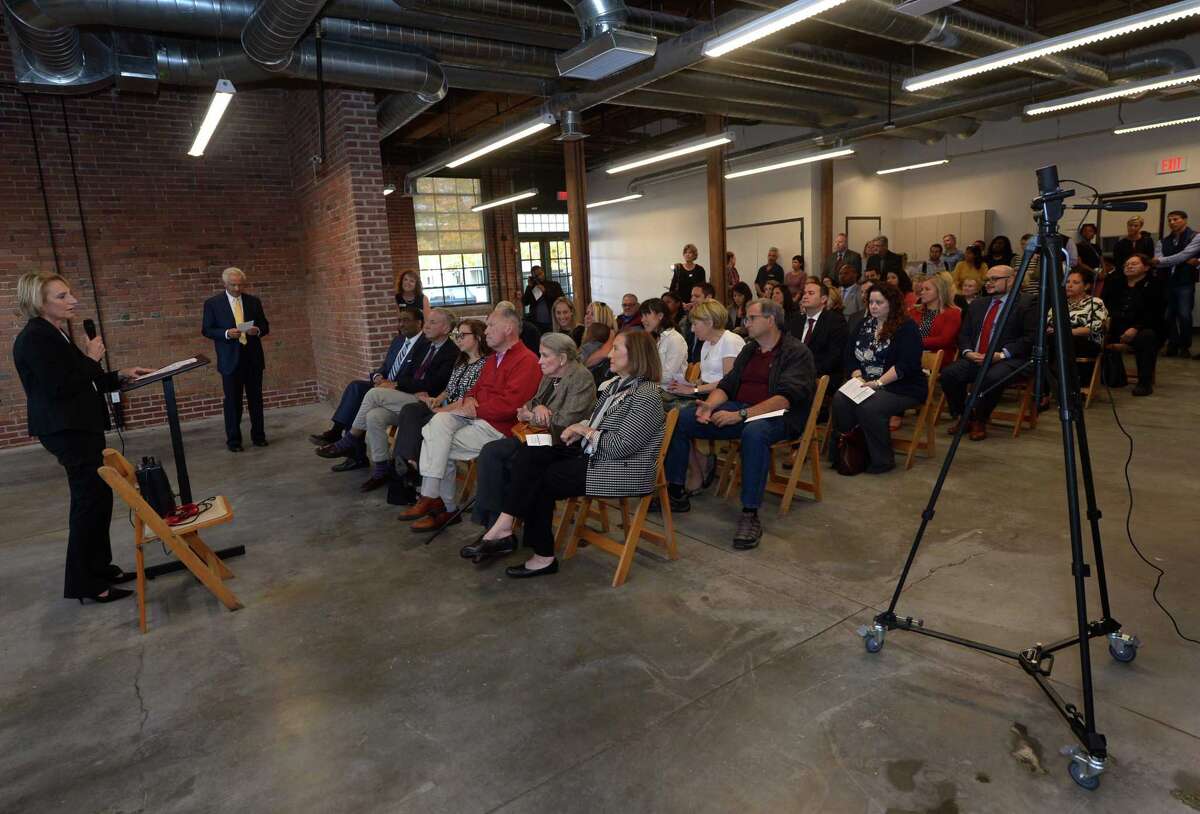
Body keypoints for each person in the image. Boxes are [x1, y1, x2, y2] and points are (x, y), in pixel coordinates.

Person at [468, 331, 666, 577]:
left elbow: (621, 446)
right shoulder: (616, 385)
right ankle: (505, 525)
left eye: (616, 349)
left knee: (537, 476)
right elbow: (596, 422)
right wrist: (580, 429)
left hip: (620, 469)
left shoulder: (646, 395)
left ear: (635, 356)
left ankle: (535, 550)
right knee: (532, 452)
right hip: (593, 456)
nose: (609, 354)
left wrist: (584, 430)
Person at [12, 271, 153, 603]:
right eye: (62, 296)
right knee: (87, 502)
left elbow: (82, 380)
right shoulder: (35, 338)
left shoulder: (55, 333)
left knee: (99, 498)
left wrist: (118, 375)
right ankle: (85, 584)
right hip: (67, 430)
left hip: (79, 426)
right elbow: (60, 388)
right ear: (38, 302)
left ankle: (100, 567)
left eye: (69, 293)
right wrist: (91, 358)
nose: (72, 300)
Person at [665, 298, 816, 550]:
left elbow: (785, 399)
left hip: (778, 416)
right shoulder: (750, 349)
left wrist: (742, 415)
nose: (745, 322)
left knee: (754, 433)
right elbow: (728, 384)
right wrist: (709, 406)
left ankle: (750, 513)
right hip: (741, 410)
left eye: (751, 318)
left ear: (770, 320)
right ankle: (676, 489)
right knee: (682, 418)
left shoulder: (796, 352)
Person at [399, 302, 542, 532]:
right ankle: (435, 499)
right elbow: (474, 390)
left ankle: (439, 503)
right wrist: (470, 401)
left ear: (508, 329)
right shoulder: (495, 357)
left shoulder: (526, 360)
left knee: (435, 440)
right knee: (438, 423)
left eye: (490, 326)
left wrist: (476, 408)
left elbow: (511, 405)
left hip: (498, 427)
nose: (485, 331)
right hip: (475, 418)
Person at [315, 309, 459, 490]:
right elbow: (412, 376)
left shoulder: (451, 352)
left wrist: (397, 385)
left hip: (430, 404)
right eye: (427, 321)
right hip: (411, 398)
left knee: (374, 394)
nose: (426, 326)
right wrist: (406, 385)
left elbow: (433, 384)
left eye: (432, 323)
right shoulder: (425, 346)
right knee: (374, 416)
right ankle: (381, 469)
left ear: (446, 329)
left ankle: (350, 439)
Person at [467, 333, 597, 531]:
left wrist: (532, 414)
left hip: (563, 443)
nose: (539, 361)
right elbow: (531, 402)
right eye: (540, 355)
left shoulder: (580, 377)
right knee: (491, 451)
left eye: (545, 355)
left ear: (562, 358)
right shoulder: (549, 375)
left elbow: (565, 421)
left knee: (514, 461)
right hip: (539, 437)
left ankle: (502, 524)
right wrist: (535, 409)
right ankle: (493, 521)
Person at [389, 319, 490, 504]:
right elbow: (449, 390)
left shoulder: (485, 364)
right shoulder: (461, 361)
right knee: (411, 410)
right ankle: (409, 462)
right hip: (446, 406)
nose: (458, 339)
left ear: (477, 337)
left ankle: (412, 476)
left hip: (460, 413)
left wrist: (440, 410)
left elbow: (467, 399)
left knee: (423, 423)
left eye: (462, 335)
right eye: (456, 335)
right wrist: (437, 399)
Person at [830, 283, 926, 474]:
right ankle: (852, 452)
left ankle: (882, 459)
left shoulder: (907, 328)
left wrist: (879, 383)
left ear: (891, 303)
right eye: (871, 302)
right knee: (840, 400)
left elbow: (905, 365)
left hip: (901, 386)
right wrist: (856, 375)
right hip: (866, 382)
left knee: (870, 406)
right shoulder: (864, 324)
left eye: (879, 302)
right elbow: (849, 355)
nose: (873, 306)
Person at [939, 265, 1037, 441]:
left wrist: (1001, 354)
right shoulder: (978, 304)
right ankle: (966, 416)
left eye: (994, 279)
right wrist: (968, 352)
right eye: (987, 280)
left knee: (991, 377)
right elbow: (964, 334)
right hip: (976, 357)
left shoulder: (1027, 302)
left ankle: (980, 420)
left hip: (1010, 359)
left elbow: (1031, 337)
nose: (989, 283)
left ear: (1012, 279)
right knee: (948, 374)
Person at [309, 306, 424, 452]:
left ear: (419, 323)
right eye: (399, 320)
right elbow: (385, 366)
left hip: (399, 390)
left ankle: (343, 440)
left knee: (358, 394)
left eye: (406, 320)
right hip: (382, 386)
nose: (401, 324)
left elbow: (415, 377)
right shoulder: (398, 340)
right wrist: (377, 376)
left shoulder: (424, 344)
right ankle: (342, 438)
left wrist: (392, 384)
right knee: (355, 389)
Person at [202, 267, 270, 452]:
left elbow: (264, 325)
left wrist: (257, 330)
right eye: (233, 285)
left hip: (253, 358)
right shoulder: (213, 304)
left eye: (240, 284)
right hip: (229, 360)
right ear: (225, 284)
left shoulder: (253, 302)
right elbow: (207, 329)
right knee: (233, 402)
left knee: (256, 400)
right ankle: (234, 441)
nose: (237, 288)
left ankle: (259, 437)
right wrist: (225, 333)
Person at [1102, 254, 1165, 396]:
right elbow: (1105, 306)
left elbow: (1155, 313)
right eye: (1126, 264)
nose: (1129, 266)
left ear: (1146, 267)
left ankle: (1144, 383)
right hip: (1116, 328)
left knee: (1146, 336)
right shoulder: (1115, 282)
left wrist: (1136, 328)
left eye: (1134, 264)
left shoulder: (1155, 284)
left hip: (1143, 328)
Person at [666, 299, 745, 398]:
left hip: (722, 397)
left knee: (682, 412)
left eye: (695, 324)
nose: (692, 329)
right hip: (707, 394)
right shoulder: (707, 343)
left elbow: (728, 382)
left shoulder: (731, 341)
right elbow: (707, 378)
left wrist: (694, 390)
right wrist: (690, 384)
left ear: (709, 323)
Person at [1150, 210, 1200, 357]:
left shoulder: (1196, 236)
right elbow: (1159, 262)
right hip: (1167, 282)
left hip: (1185, 282)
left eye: (1175, 219)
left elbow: (1182, 256)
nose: (1172, 222)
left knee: (1184, 315)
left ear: (1185, 220)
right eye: (1170, 220)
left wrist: (1162, 261)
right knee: (1167, 315)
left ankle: (1185, 346)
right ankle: (1173, 344)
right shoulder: (1163, 241)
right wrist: (1163, 261)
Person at [787, 279, 848, 386]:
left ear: (823, 299)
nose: (805, 296)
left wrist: (803, 371)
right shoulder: (796, 320)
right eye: (804, 293)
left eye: (811, 293)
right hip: (794, 375)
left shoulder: (835, 321)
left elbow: (833, 358)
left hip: (822, 377)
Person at [909, 273, 962, 359]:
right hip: (912, 355)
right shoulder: (914, 311)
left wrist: (914, 341)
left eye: (927, 289)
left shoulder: (953, 313)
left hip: (938, 358)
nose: (922, 292)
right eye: (922, 289)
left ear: (940, 291)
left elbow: (944, 340)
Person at [638, 297, 687, 384]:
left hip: (668, 392)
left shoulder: (675, 339)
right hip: (655, 387)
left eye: (646, 315)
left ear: (660, 316)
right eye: (642, 316)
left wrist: (642, 378)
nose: (642, 320)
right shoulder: (657, 338)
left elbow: (668, 376)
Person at [522, 265, 564, 334]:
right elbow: (525, 302)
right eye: (536, 275)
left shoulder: (554, 285)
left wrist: (545, 291)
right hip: (536, 323)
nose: (539, 276)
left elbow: (561, 298)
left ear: (543, 272)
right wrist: (529, 287)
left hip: (552, 320)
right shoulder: (532, 288)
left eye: (540, 273)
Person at [581, 302, 618, 368]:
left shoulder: (608, 336)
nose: (587, 317)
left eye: (592, 314)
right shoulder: (586, 333)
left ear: (602, 317)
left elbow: (580, 363)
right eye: (587, 313)